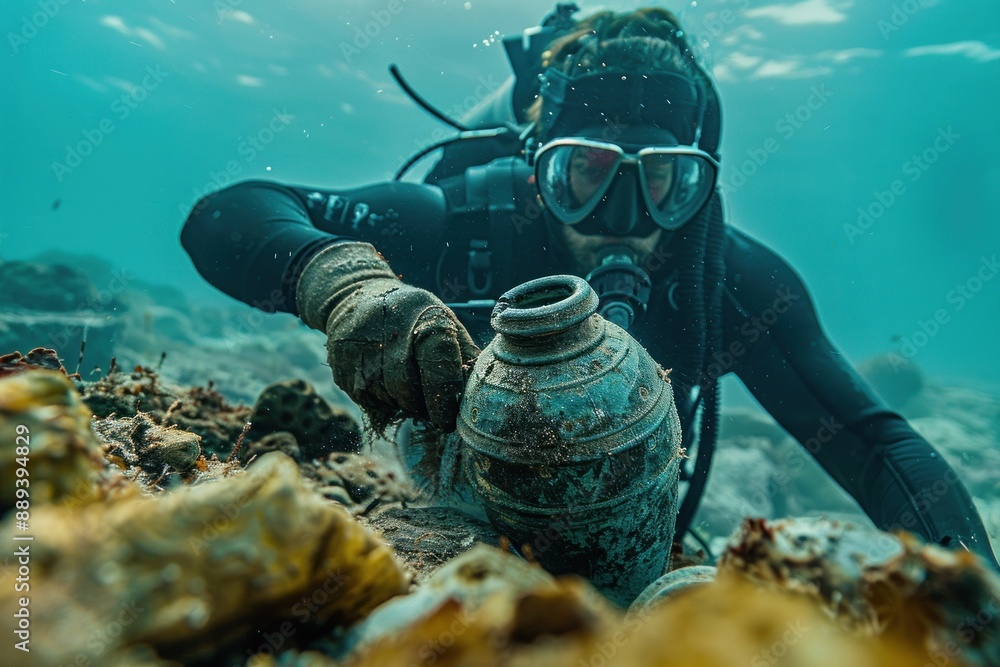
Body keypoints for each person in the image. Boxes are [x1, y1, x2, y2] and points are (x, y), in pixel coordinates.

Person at [181, 5, 999, 569]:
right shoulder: (472, 221)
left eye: (666, 184)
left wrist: (973, 604)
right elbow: (228, 215)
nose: (624, 219)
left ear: (699, 188)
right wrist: (347, 286)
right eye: (587, 175)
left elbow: (879, 445)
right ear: (539, 174)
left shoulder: (727, 282)